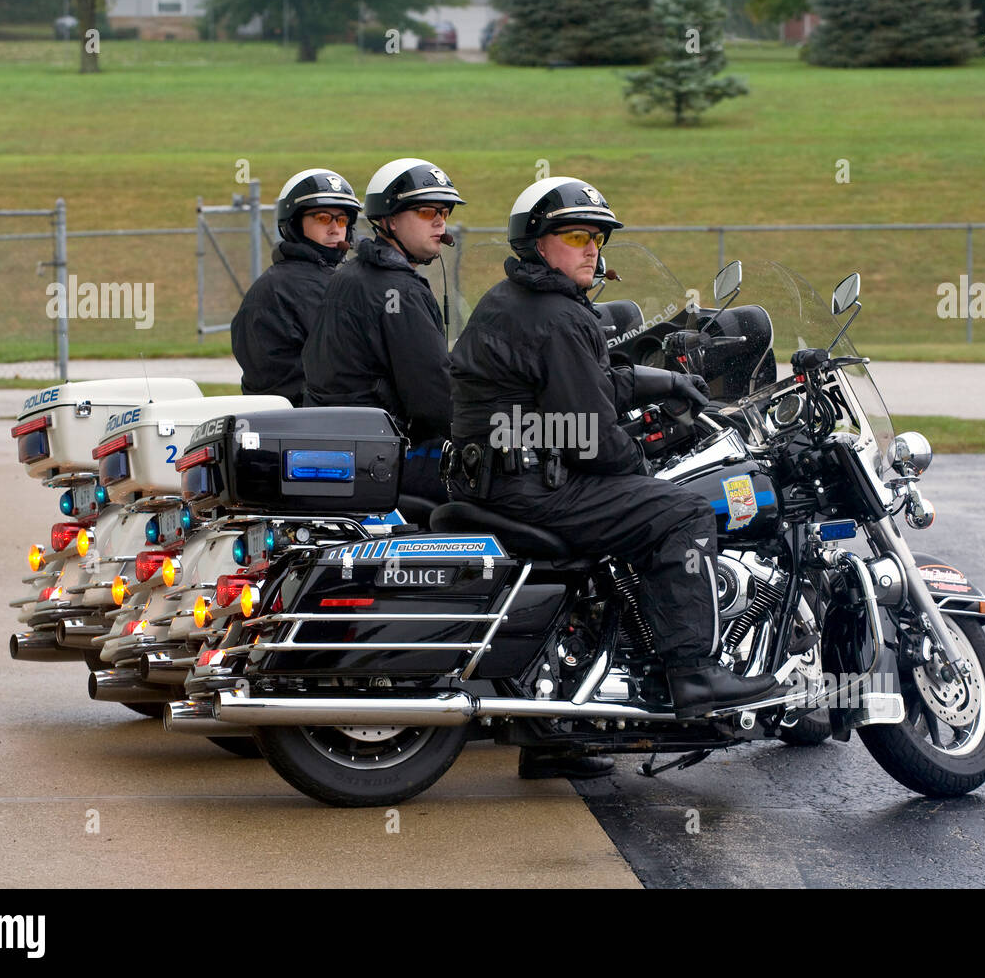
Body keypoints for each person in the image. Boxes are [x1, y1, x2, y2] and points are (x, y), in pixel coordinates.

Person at [447, 178, 782, 767]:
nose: (591, 250)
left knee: (643, 502)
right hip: (535, 490)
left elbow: (578, 387)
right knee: (680, 510)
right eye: (576, 236)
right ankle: (694, 674)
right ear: (537, 243)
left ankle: (560, 730)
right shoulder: (557, 316)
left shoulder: (512, 301)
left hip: (494, 481)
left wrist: (664, 380)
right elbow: (594, 437)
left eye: (597, 238)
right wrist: (643, 463)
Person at [302, 158, 461, 506]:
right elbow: (435, 399)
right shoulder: (398, 290)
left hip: (347, 450)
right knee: (501, 477)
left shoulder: (351, 275)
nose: (440, 221)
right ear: (388, 219)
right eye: (424, 211)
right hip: (383, 457)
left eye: (445, 212)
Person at [230, 168, 361, 406]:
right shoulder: (307, 288)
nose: (335, 228)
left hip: (287, 422)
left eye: (342, 220)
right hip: (314, 425)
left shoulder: (279, 282)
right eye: (323, 218)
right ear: (295, 224)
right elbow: (351, 365)